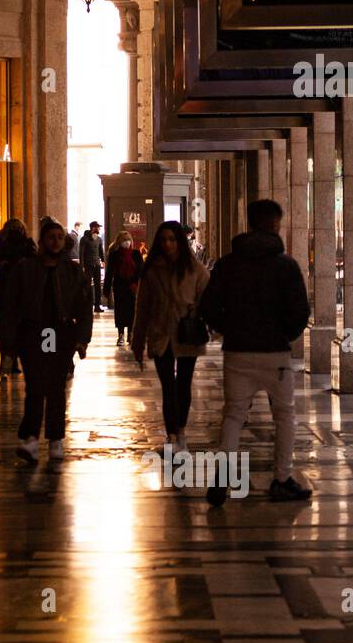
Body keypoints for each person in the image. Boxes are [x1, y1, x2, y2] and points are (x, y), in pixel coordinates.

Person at [198, 198, 312, 506]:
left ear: (249, 223)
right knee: (285, 415)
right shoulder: (286, 265)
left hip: (237, 352)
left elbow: (208, 306)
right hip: (274, 352)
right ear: (275, 224)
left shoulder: (228, 264)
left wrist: (228, 328)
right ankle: (282, 479)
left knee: (233, 415)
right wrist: (283, 334)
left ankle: (222, 477)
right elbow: (301, 310)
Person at [0, 218, 93, 464]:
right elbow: (10, 307)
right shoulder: (26, 269)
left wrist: (82, 339)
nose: (56, 242)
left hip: (60, 333)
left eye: (59, 237)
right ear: (42, 241)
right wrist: (8, 346)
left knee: (55, 388)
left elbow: (84, 306)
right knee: (35, 386)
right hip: (34, 333)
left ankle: (55, 438)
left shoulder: (72, 271)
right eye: (51, 237)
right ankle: (30, 438)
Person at [131, 220, 210, 450]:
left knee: (183, 384)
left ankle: (181, 431)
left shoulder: (195, 269)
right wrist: (137, 341)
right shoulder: (152, 270)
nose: (168, 244)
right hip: (160, 333)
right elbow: (142, 306)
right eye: (164, 239)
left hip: (187, 333)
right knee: (168, 385)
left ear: (180, 242)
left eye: (172, 239)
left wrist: (204, 317)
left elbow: (208, 297)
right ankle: (172, 435)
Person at [0, 219, 35, 379]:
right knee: (19, 327)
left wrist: (1, 264)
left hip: (3, 290)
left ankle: (7, 359)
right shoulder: (27, 243)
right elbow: (36, 262)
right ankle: (13, 360)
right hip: (22, 290)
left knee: (5, 329)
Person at [103, 230, 143, 345]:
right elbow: (109, 272)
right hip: (119, 287)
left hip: (132, 287)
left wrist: (137, 284)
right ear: (119, 242)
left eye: (128, 240)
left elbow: (140, 271)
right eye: (124, 240)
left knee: (131, 311)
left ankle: (130, 333)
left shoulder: (136, 254)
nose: (127, 242)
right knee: (120, 311)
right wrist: (106, 289)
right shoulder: (114, 255)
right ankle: (120, 334)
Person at [78, 220, 105, 313]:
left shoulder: (99, 239)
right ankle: (87, 306)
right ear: (93, 228)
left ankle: (97, 306)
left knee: (97, 286)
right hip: (88, 265)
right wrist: (82, 266)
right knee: (87, 286)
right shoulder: (84, 239)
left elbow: (101, 251)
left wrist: (103, 261)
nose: (98, 229)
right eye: (97, 227)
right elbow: (81, 253)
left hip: (97, 265)